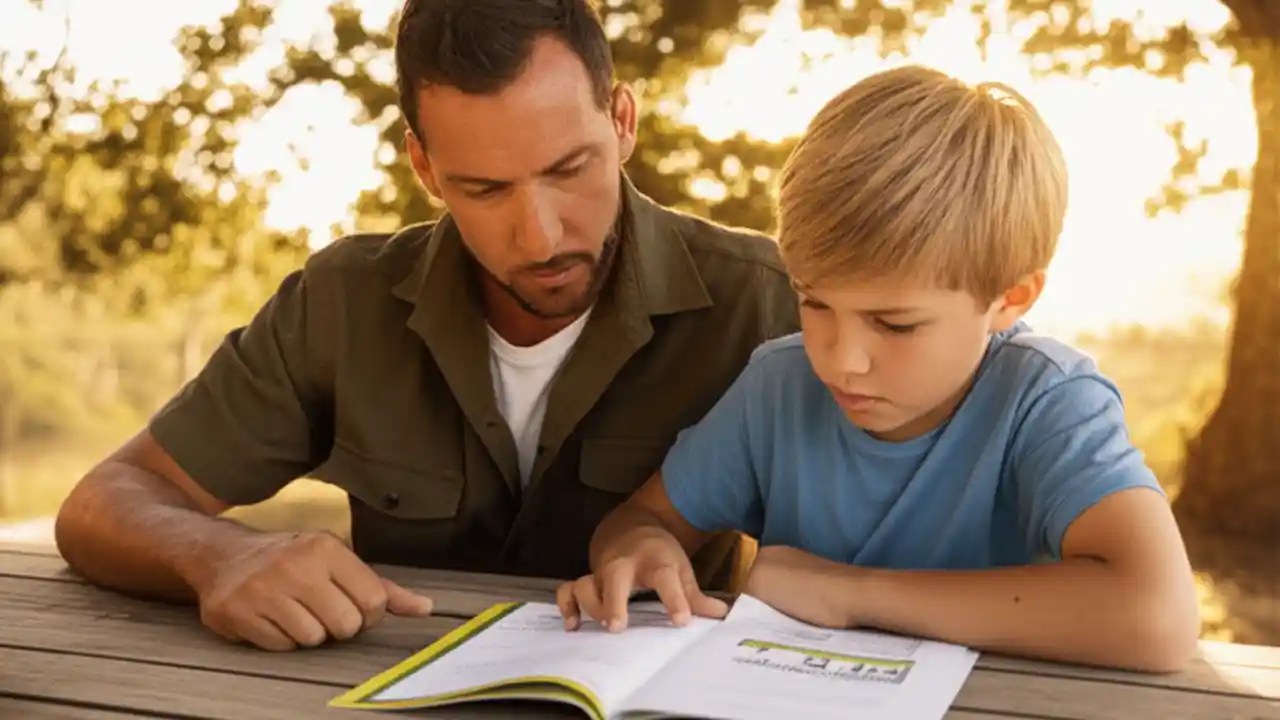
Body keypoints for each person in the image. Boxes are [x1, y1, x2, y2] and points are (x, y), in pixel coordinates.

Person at [54, 0, 798, 652]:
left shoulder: (763, 302)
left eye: (570, 169)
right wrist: (218, 556)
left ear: (623, 120)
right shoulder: (341, 302)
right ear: (424, 166)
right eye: (485, 189)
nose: (540, 237)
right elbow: (105, 501)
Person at [556, 66, 1201, 673]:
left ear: (1010, 297)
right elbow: (642, 521)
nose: (841, 359)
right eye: (813, 302)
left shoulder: (1047, 400)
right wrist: (640, 552)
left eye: (895, 324)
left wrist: (850, 593)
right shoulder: (778, 387)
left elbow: (1160, 616)